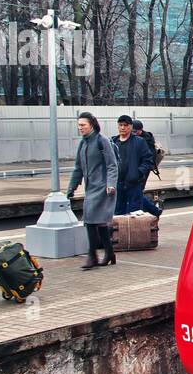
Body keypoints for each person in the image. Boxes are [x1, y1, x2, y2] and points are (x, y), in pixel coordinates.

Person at [66, 112, 118, 269]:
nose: (80, 127)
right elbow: (78, 168)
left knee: (89, 219)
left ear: (92, 125)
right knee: (100, 222)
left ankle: (92, 255)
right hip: (91, 188)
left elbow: (112, 165)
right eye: (79, 125)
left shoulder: (102, 141)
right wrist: (71, 187)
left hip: (103, 188)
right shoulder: (83, 143)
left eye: (83, 125)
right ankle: (109, 253)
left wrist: (111, 184)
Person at [111, 114, 159, 217]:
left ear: (131, 126)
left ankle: (153, 213)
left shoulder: (139, 142)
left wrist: (138, 173)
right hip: (117, 183)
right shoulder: (113, 143)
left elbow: (148, 159)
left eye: (125, 125)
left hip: (133, 183)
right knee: (118, 214)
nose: (123, 128)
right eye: (120, 125)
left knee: (135, 214)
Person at [131, 118, 164, 215]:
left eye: (135, 131)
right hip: (136, 169)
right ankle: (151, 210)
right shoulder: (136, 138)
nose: (133, 133)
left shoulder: (146, 140)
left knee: (137, 192)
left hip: (142, 170)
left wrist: (141, 170)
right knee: (136, 192)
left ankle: (154, 210)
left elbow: (149, 157)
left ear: (140, 130)